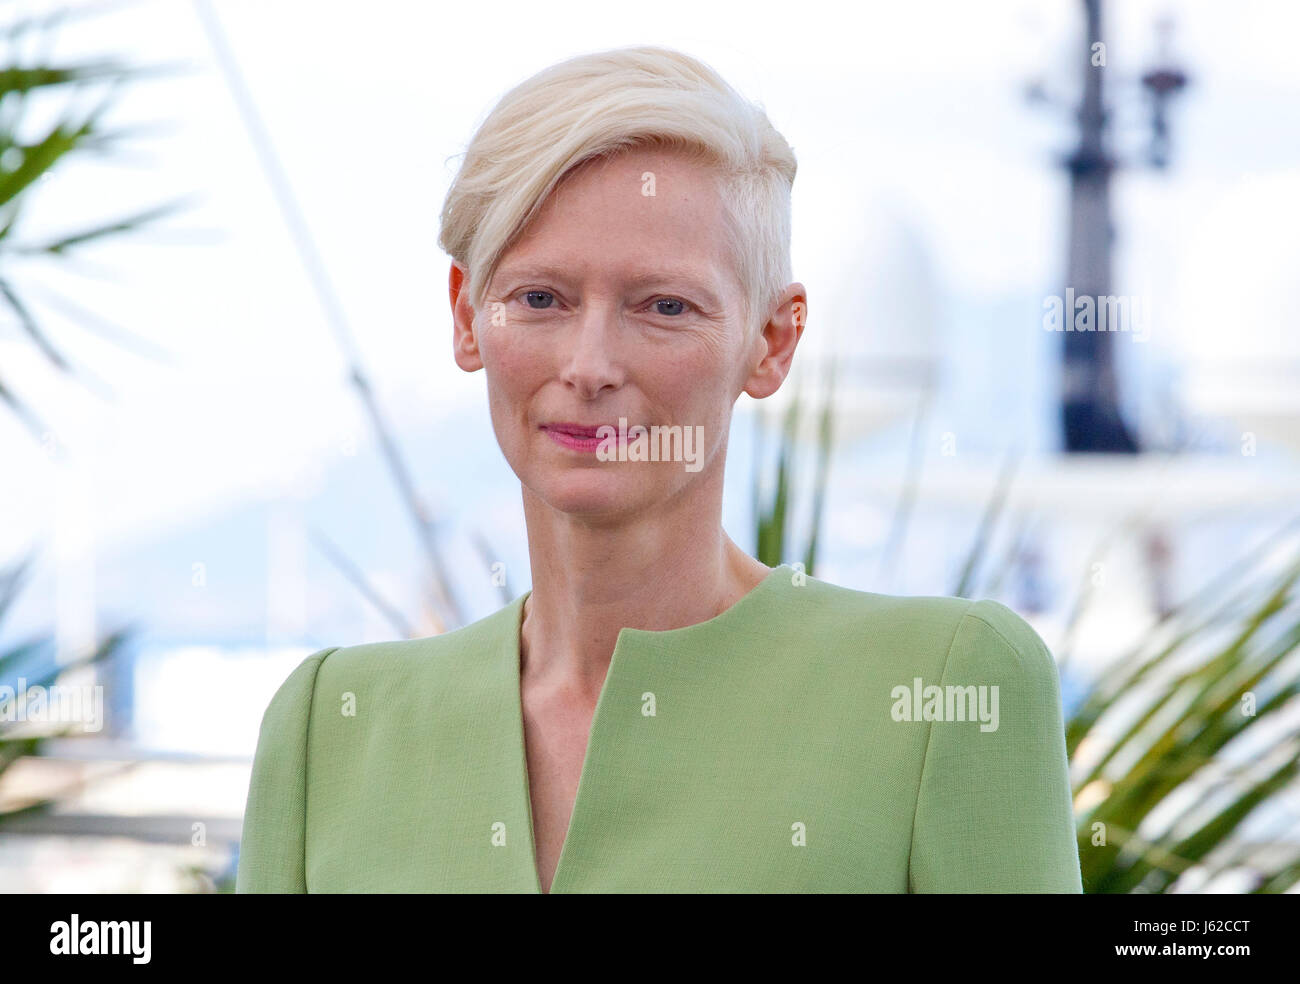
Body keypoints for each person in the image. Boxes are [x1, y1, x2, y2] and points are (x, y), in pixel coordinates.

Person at [236, 44, 1082, 893]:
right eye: (541, 299)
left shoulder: (948, 683)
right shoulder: (327, 729)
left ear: (771, 341)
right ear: (466, 317)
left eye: (665, 306)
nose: (590, 364)